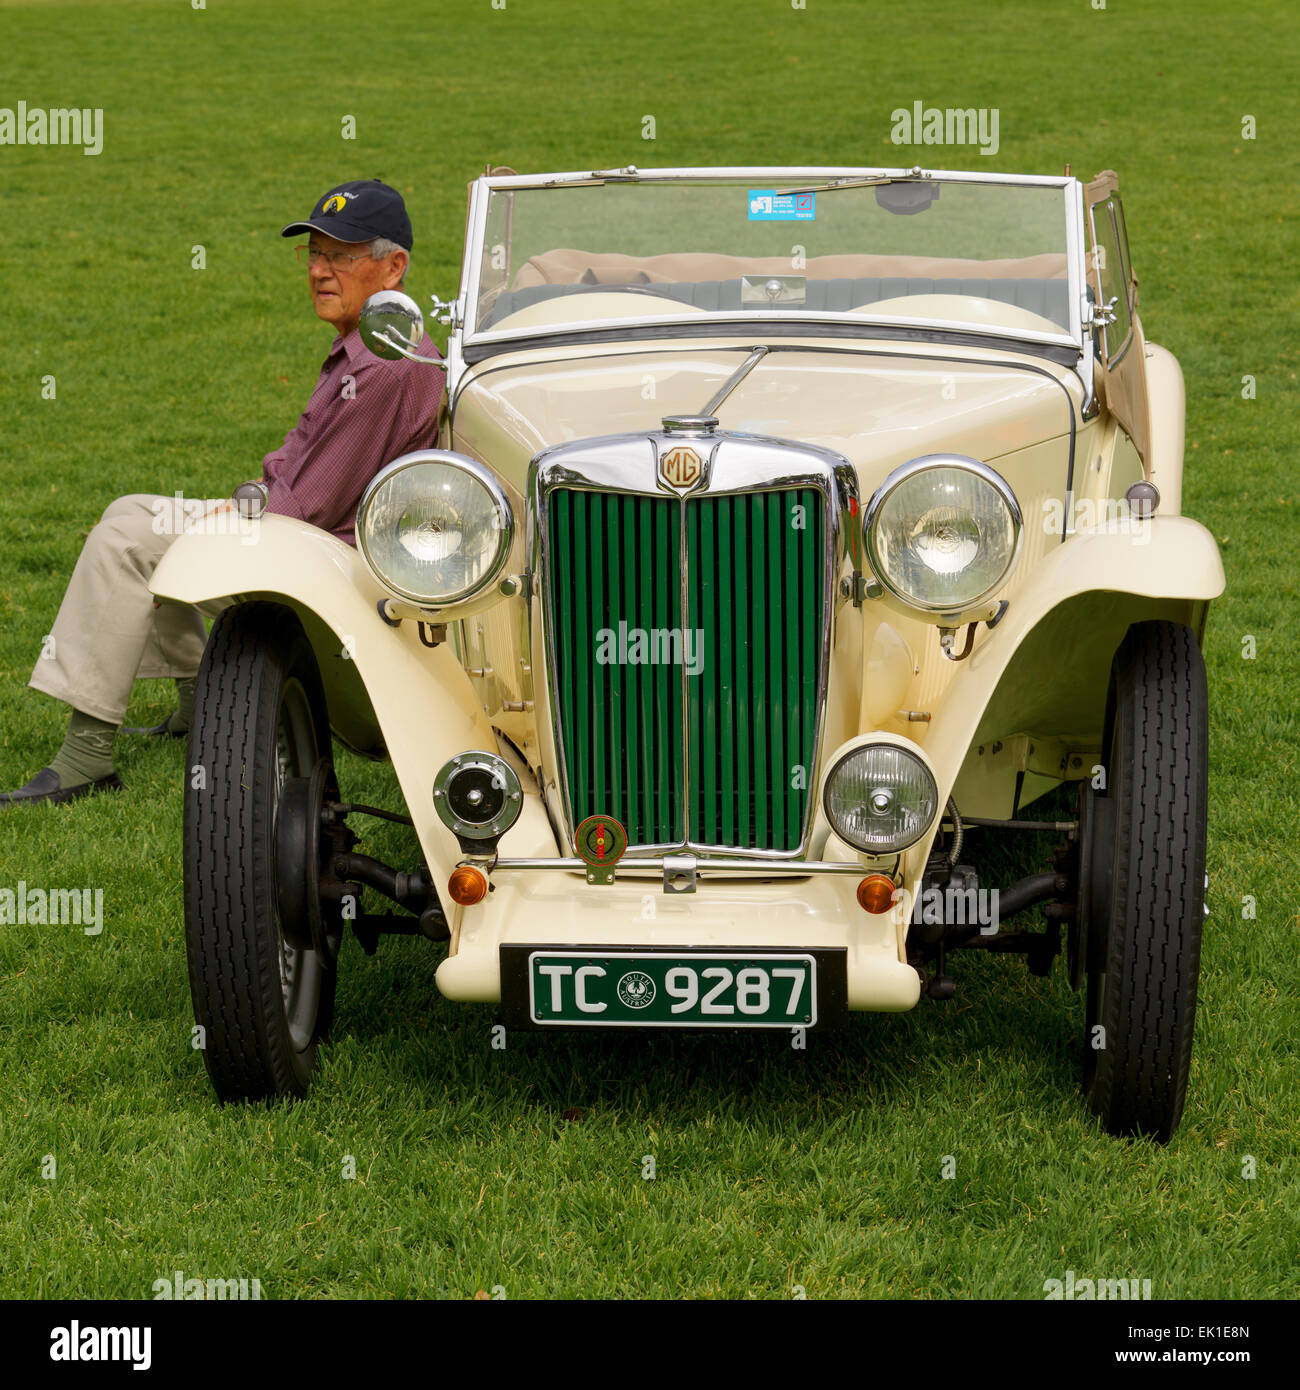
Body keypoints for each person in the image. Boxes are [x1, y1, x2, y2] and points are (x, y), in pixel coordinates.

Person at [1, 179, 445, 807]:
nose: (320, 270)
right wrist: (249, 498)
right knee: (132, 513)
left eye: (341, 256)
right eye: (314, 253)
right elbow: (306, 474)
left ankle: (85, 758)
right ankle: (191, 704)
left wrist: (239, 509)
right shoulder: (378, 346)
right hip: (311, 540)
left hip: (326, 574)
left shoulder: (381, 366)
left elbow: (308, 507)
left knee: (129, 538)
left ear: (393, 266)